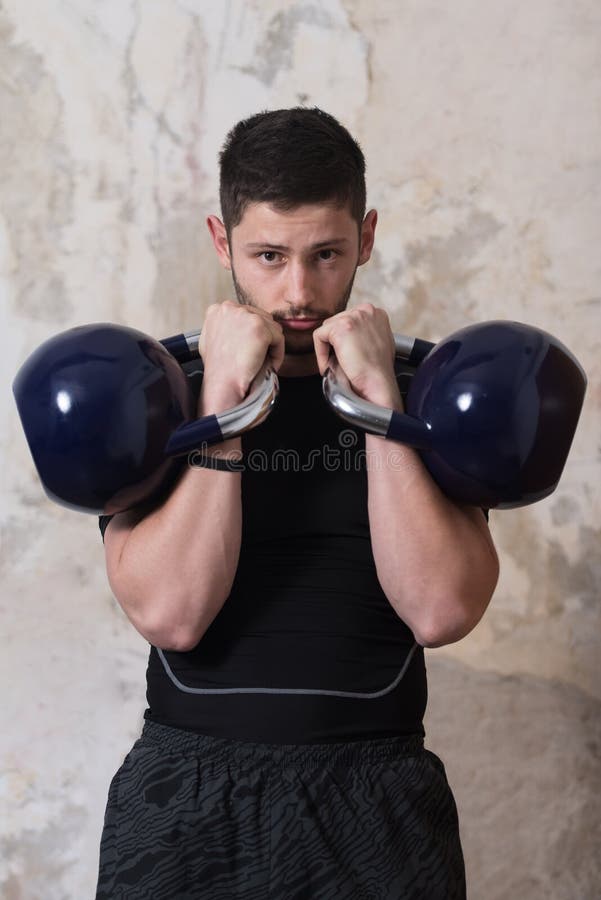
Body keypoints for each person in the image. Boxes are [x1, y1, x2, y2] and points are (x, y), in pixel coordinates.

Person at [95, 107, 499, 899]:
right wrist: (222, 397)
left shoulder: (431, 398)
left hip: (377, 799)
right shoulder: (152, 396)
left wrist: (378, 400)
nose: (299, 291)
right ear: (222, 242)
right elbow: (172, 616)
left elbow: (440, 611)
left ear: (366, 237)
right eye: (269, 256)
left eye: (326, 255)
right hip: (186, 797)